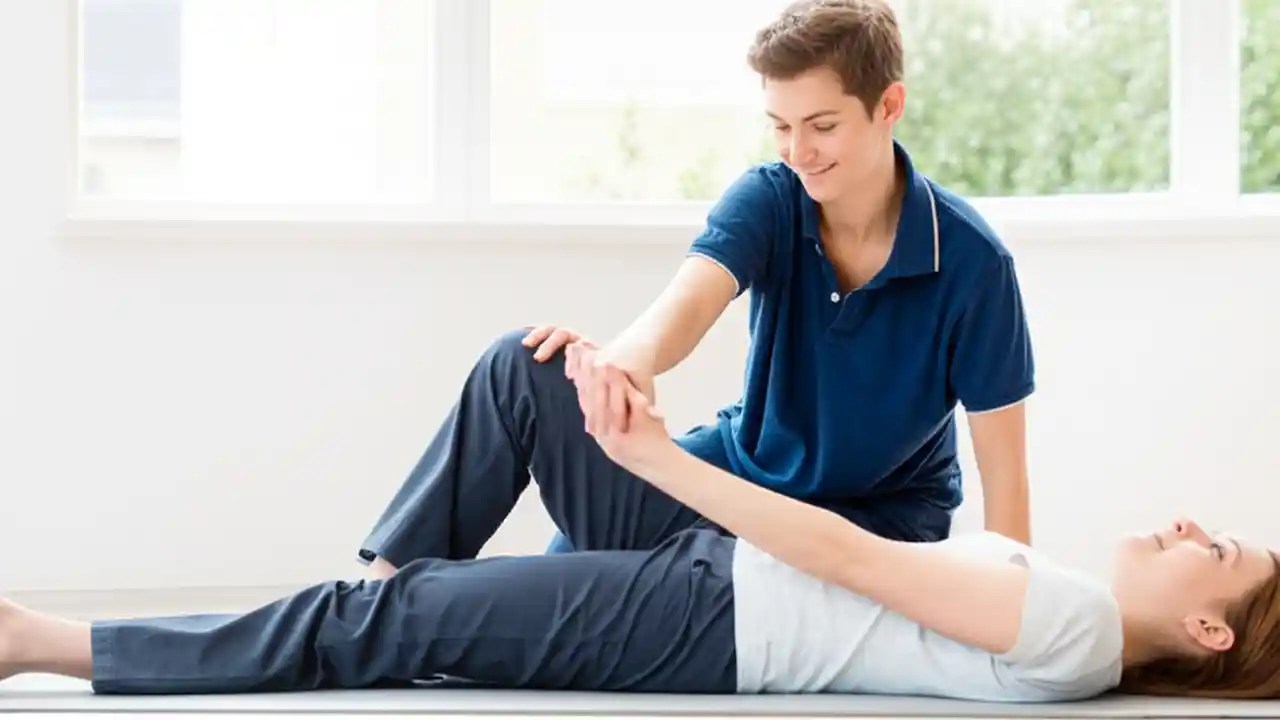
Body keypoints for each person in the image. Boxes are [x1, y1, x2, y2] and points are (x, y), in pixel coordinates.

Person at [1, 356, 1278, 700]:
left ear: (1209, 625)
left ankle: (49, 643)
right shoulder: (1067, 618)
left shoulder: (1067, 627)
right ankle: (389, 608)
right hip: (720, 571)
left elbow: (836, 554)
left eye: (1209, 546)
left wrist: (657, 458)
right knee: (529, 372)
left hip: (711, 617)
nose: (1183, 526)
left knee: (382, 621)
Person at [357, 0, 1035, 582]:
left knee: (588, 591)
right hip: (734, 479)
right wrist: (616, 368)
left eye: (822, 125)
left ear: (889, 105)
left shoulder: (974, 264)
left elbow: (1007, 487)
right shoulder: (772, 200)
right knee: (521, 369)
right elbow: (678, 314)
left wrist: (1014, 624)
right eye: (780, 126)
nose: (798, 152)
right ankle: (377, 600)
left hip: (867, 534)